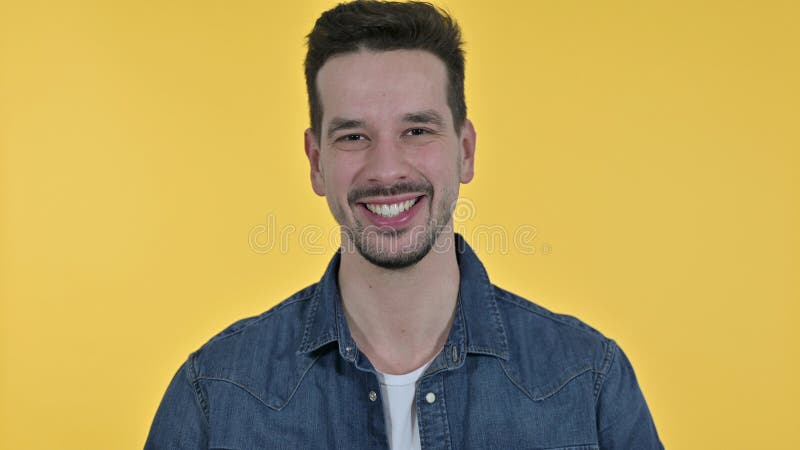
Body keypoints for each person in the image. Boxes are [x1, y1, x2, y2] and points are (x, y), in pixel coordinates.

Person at [145, 1, 663, 449]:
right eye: (353, 136)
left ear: (464, 151)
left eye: (417, 130)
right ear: (316, 161)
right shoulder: (216, 391)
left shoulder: (588, 380)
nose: (387, 169)